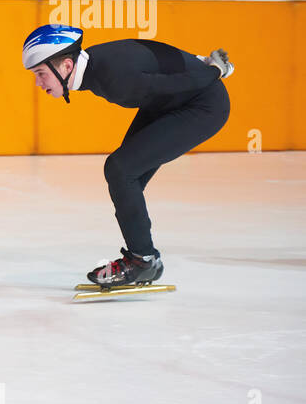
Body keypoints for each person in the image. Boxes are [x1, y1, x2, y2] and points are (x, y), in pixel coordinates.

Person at [22, 24, 233, 286]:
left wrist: (212, 70)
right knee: (125, 178)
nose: (37, 82)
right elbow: (150, 50)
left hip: (202, 106)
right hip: (168, 102)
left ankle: (143, 260)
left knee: (121, 170)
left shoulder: (114, 78)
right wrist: (197, 61)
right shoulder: (99, 62)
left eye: (40, 73)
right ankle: (141, 256)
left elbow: (173, 79)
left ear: (66, 66)